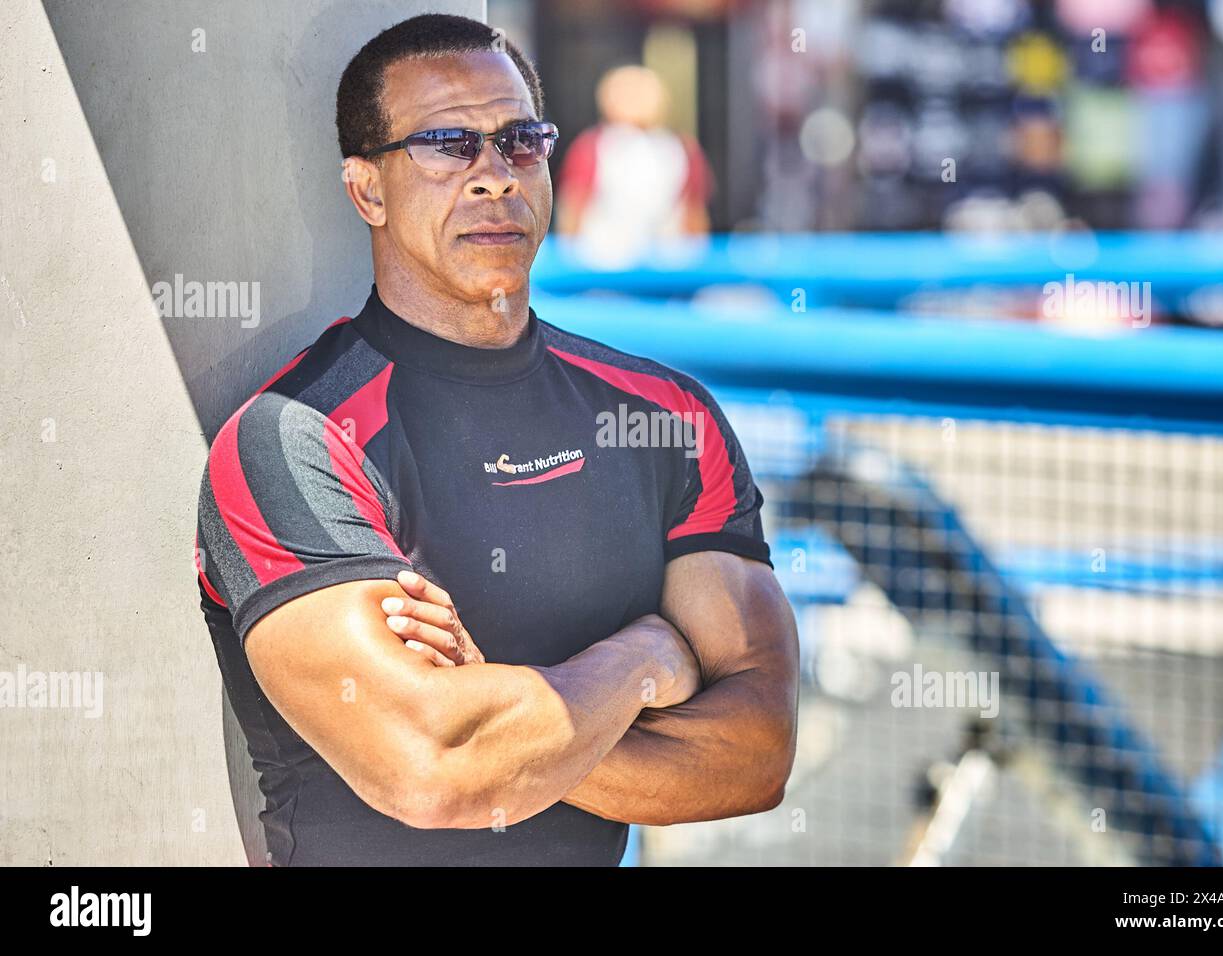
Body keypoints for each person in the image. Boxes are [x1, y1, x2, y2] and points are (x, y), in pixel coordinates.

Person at [195, 13, 798, 866]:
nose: (493, 177)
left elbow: (759, 753)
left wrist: (504, 716)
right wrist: (644, 657)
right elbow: (434, 770)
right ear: (367, 189)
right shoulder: (293, 440)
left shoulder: (667, 418)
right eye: (446, 145)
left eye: (520, 141)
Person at [555, 64, 715, 267]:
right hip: (602, 266)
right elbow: (573, 207)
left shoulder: (682, 149)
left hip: (669, 265)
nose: (635, 101)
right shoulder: (591, 147)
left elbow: (694, 214)